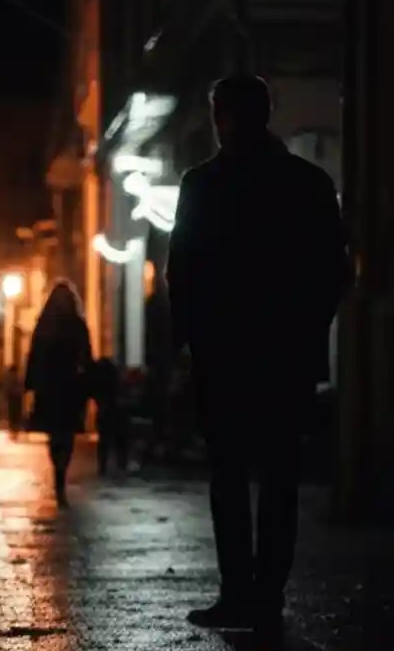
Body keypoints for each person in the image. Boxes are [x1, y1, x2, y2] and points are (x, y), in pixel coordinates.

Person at [166, 74, 351, 633]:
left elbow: (183, 270)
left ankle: (239, 592)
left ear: (221, 115)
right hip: (283, 353)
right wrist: (306, 330)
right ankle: (265, 596)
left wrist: (189, 340)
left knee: (229, 475)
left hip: (224, 352)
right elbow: (332, 271)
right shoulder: (308, 183)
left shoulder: (202, 185)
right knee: (278, 475)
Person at [24, 280, 94, 508]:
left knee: (58, 433)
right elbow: (87, 356)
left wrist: (31, 384)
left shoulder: (46, 325)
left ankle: (59, 473)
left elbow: (34, 356)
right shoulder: (75, 325)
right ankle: (60, 472)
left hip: (54, 386)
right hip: (68, 385)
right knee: (65, 432)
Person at [90, 357, 127, 475]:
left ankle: (104, 467)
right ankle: (120, 465)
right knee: (118, 440)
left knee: (105, 441)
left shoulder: (100, 384)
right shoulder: (115, 383)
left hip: (106, 412)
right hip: (115, 413)